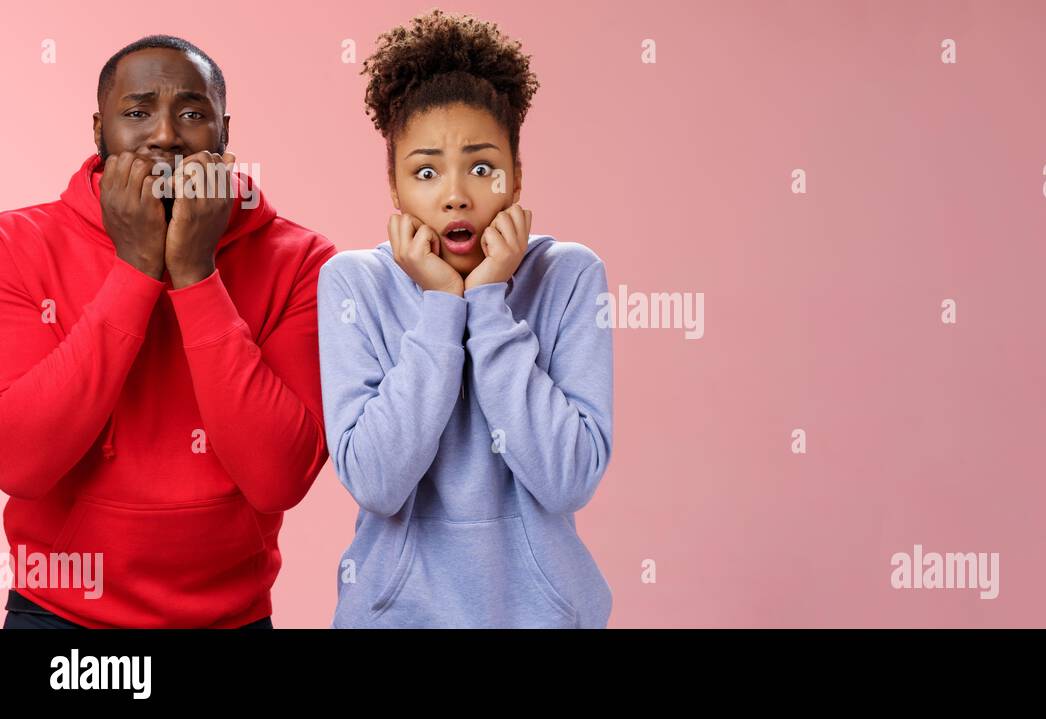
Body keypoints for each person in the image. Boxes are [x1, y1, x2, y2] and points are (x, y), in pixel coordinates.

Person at [0, 35, 336, 628]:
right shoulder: (17, 245)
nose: (164, 136)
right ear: (99, 129)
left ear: (224, 131)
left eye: (192, 113)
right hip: (59, 617)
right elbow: (19, 464)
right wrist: (135, 271)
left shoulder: (303, 259)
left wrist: (195, 274)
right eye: (137, 113)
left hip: (231, 618)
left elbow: (277, 476)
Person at [319, 9, 614, 628]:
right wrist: (442, 306)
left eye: (481, 167)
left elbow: (566, 481)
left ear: (517, 176)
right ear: (395, 189)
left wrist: (488, 301)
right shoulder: (354, 284)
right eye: (425, 172)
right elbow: (377, 480)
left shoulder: (568, 276)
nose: (455, 194)